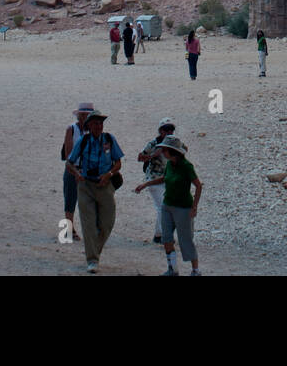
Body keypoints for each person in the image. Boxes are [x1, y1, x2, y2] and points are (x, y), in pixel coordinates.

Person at [64, 109, 123, 273]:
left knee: (107, 222)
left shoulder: (109, 139)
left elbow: (118, 163)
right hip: (85, 185)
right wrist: (76, 174)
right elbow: (69, 161)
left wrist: (109, 174)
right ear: (89, 125)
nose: (99, 126)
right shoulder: (81, 138)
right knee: (87, 223)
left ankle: (91, 249)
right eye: (96, 123)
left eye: (101, 123)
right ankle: (91, 258)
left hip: (105, 184)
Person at [135, 135, 203, 276]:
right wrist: (146, 184)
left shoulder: (186, 166)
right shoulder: (170, 165)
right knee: (167, 238)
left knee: (186, 239)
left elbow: (198, 185)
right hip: (168, 205)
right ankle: (172, 268)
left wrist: (194, 207)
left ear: (172, 151)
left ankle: (195, 270)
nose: (163, 152)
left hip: (183, 207)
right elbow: (164, 178)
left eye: (165, 150)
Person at [137, 117, 176, 244]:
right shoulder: (153, 144)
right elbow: (140, 157)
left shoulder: (173, 143)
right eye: (166, 129)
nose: (169, 132)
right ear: (161, 131)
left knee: (167, 206)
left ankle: (161, 234)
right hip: (153, 178)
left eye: (171, 129)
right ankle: (160, 235)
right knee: (162, 206)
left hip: (167, 178)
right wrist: (153, 154)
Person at [61, 102, 96, 242]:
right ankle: (69, 231)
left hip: (87, 171)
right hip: (72, 169)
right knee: (70, 199)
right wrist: (76, 172)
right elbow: (69, 154)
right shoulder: (72, 129)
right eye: (85, 115)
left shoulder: (93, 131)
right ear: (80, 116)